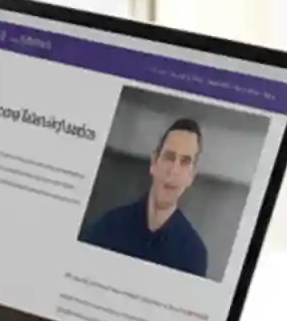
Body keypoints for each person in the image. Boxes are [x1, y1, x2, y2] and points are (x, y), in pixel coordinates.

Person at [81, 118, 209, 278]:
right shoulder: (107, 226)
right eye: (169, 157)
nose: (174, 170)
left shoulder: (194, 254)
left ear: (191, 176)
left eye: (185, 161)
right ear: (154, 163)